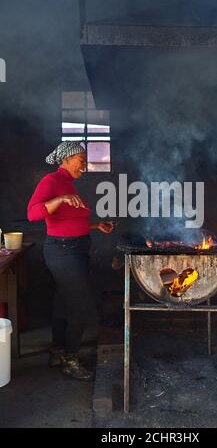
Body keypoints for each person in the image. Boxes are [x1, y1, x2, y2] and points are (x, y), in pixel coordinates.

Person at [27, 141, 114, 380]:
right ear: (66, 159)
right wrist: (60, 199)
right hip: (62, 252)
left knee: (63, 303)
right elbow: (33, 213)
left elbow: (70, 220)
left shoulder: (68, 185)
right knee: (81, 306)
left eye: (85, 162)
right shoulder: (52, 181)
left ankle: (58, 350)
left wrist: (96, 225)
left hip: (75, 249)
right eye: (81, 161)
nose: (84, 166)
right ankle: (71, 359)